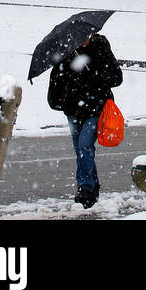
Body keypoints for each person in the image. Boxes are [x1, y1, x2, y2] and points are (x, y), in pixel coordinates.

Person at [47, 31, 123, 207]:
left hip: (96, 109)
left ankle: (86, 188)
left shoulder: (100, 48)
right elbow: (57, 78)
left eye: (85, 37)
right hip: (73, 109)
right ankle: (92, 186)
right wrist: (58, 100)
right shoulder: (67, 52)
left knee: (84, 146)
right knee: (81, 150)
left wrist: (95, 74)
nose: (83, 41)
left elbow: (116, 78)